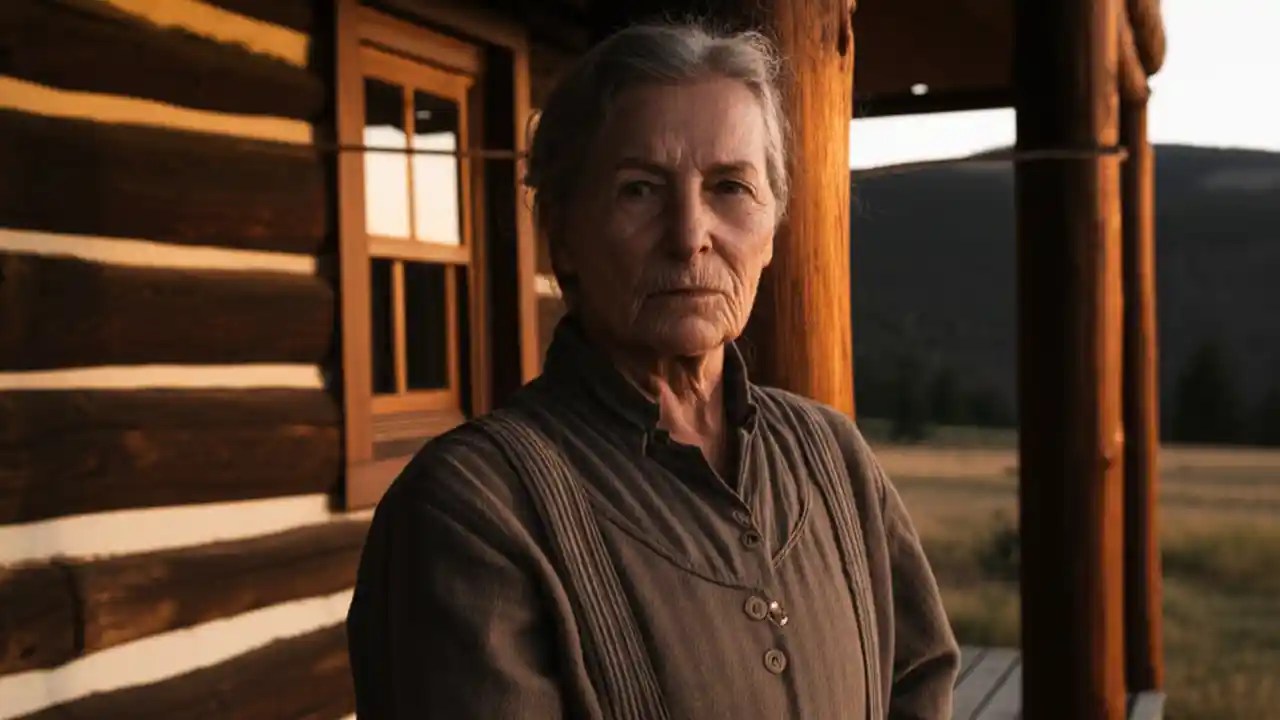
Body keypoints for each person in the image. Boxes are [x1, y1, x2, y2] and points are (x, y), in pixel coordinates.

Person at [347, 22, 958, 719]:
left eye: (730, 186)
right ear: (563, 233)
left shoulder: (832, 456)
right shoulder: (475, 509)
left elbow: (921, 680)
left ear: (772, 231)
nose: (689, 234)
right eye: (639, 190)